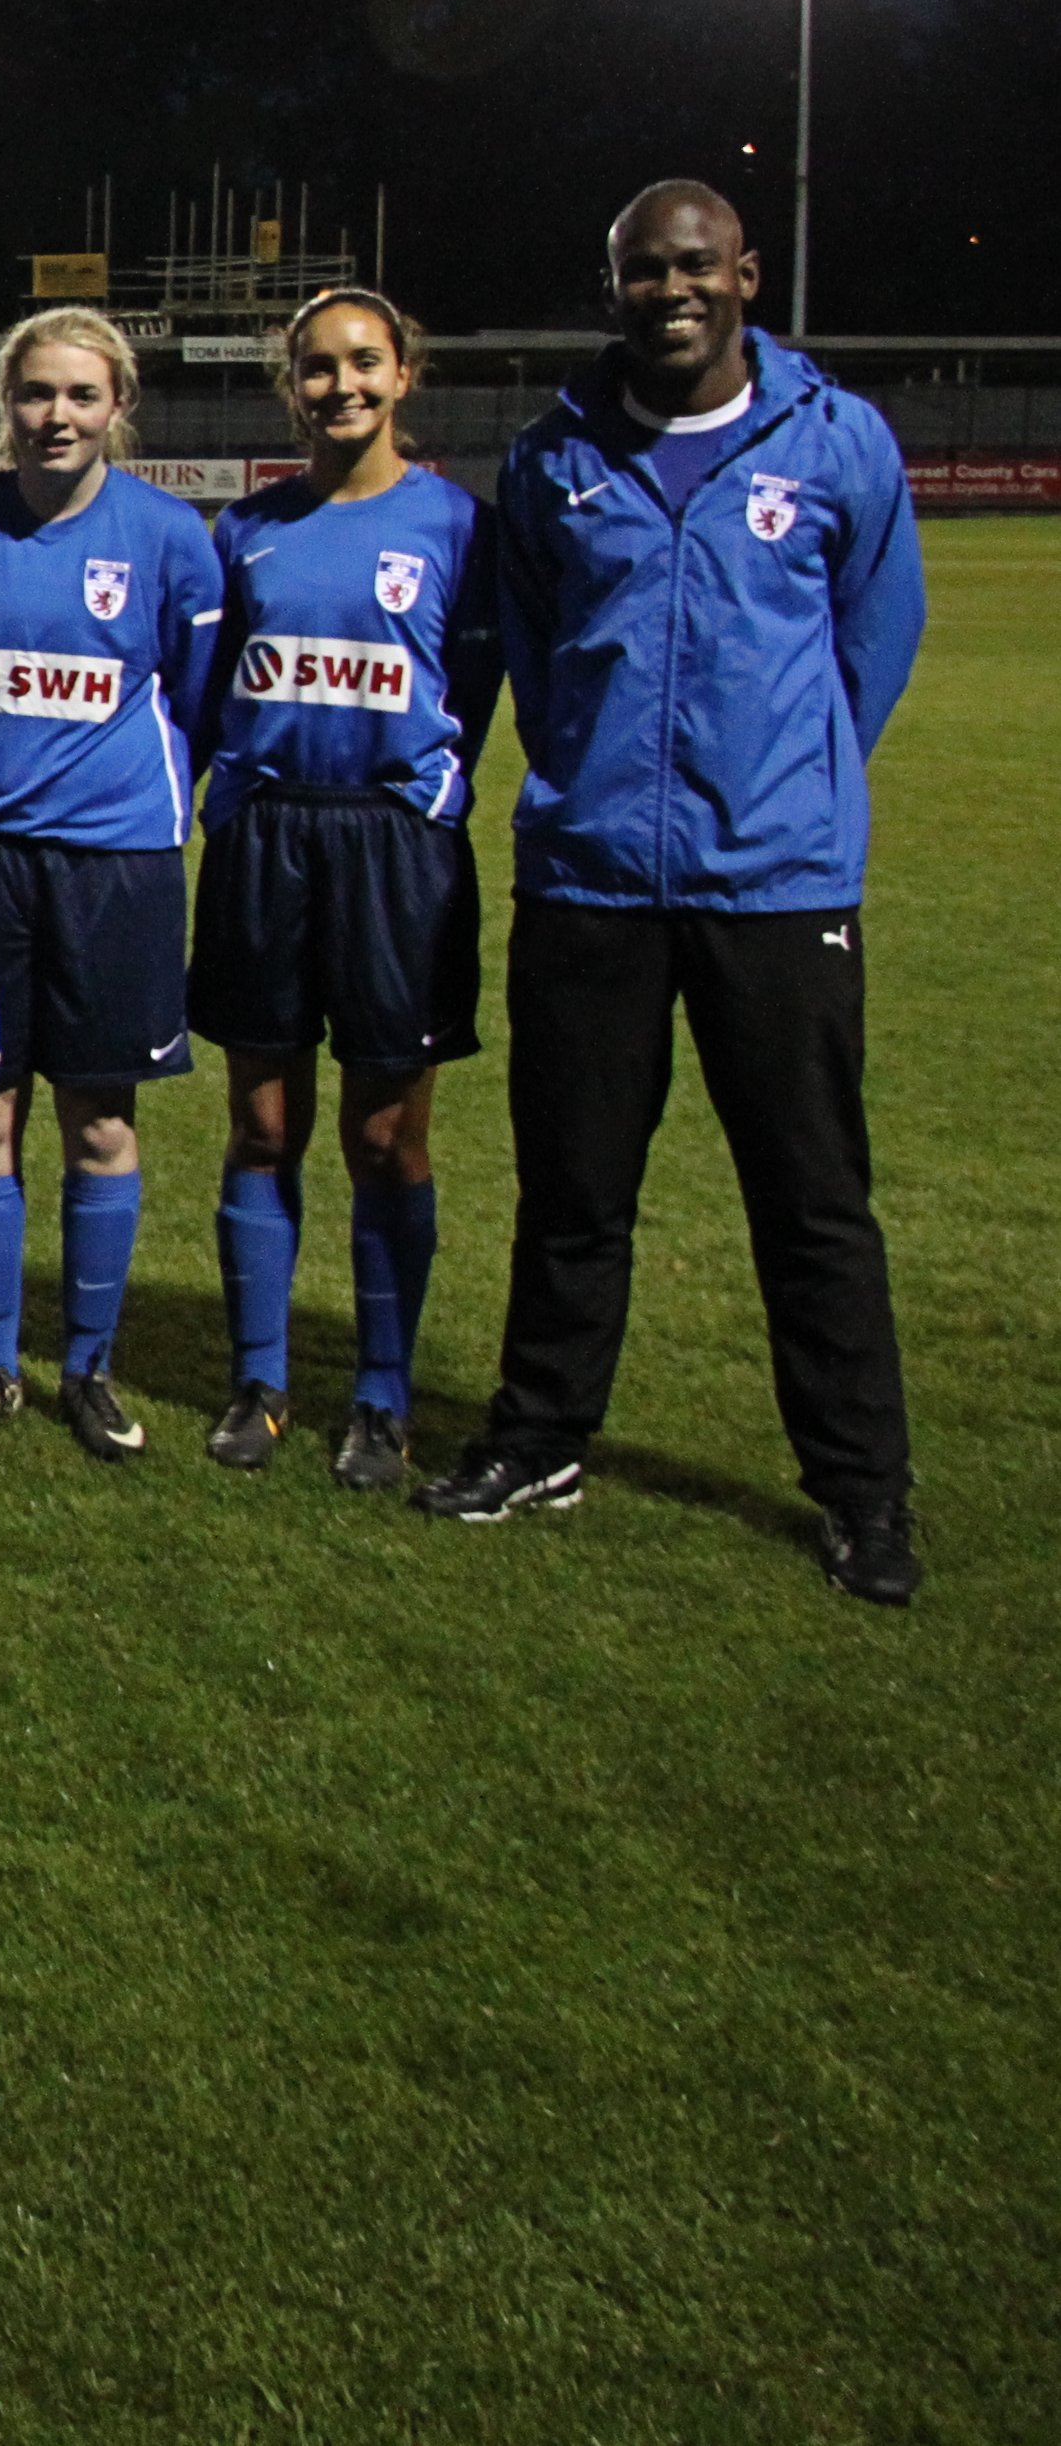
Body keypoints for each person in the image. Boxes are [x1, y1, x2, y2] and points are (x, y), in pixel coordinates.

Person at [417, 180, 928, 1604]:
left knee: (812, 1200)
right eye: (645, 271)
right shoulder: (554, 459)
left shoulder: (834, 440)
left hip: (776, 884)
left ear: (746, 275)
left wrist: (794, 782)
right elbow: (530, 647)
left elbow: (875, 637)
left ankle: (864, 1490)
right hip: (591, 881)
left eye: (696, 265)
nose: (672, 289)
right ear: (614, 290)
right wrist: (593, 782)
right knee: (573, 1189)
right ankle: (540, 1438)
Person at [0, 307, 222, 1462]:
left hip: (114, 865)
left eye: (82, 394)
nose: (57, 415)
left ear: (118, 405)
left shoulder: (169, 535)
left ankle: (89, 1366)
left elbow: (199, 695)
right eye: (36, 392)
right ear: (7, 402)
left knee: (102, 1119)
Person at [190, 290, 499, 1489]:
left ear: (404, 373)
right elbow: (210, 689)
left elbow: (477, 684)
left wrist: (422, 798)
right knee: (264, 1124)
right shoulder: (248, 528)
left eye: (364, 362)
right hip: (269, 840)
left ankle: (381, 1393)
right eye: (317, 368)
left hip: (393, 850)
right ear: (292, 386)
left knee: (385, 1134)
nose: (341, 386)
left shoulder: (457, 527)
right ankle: (260, 1380)